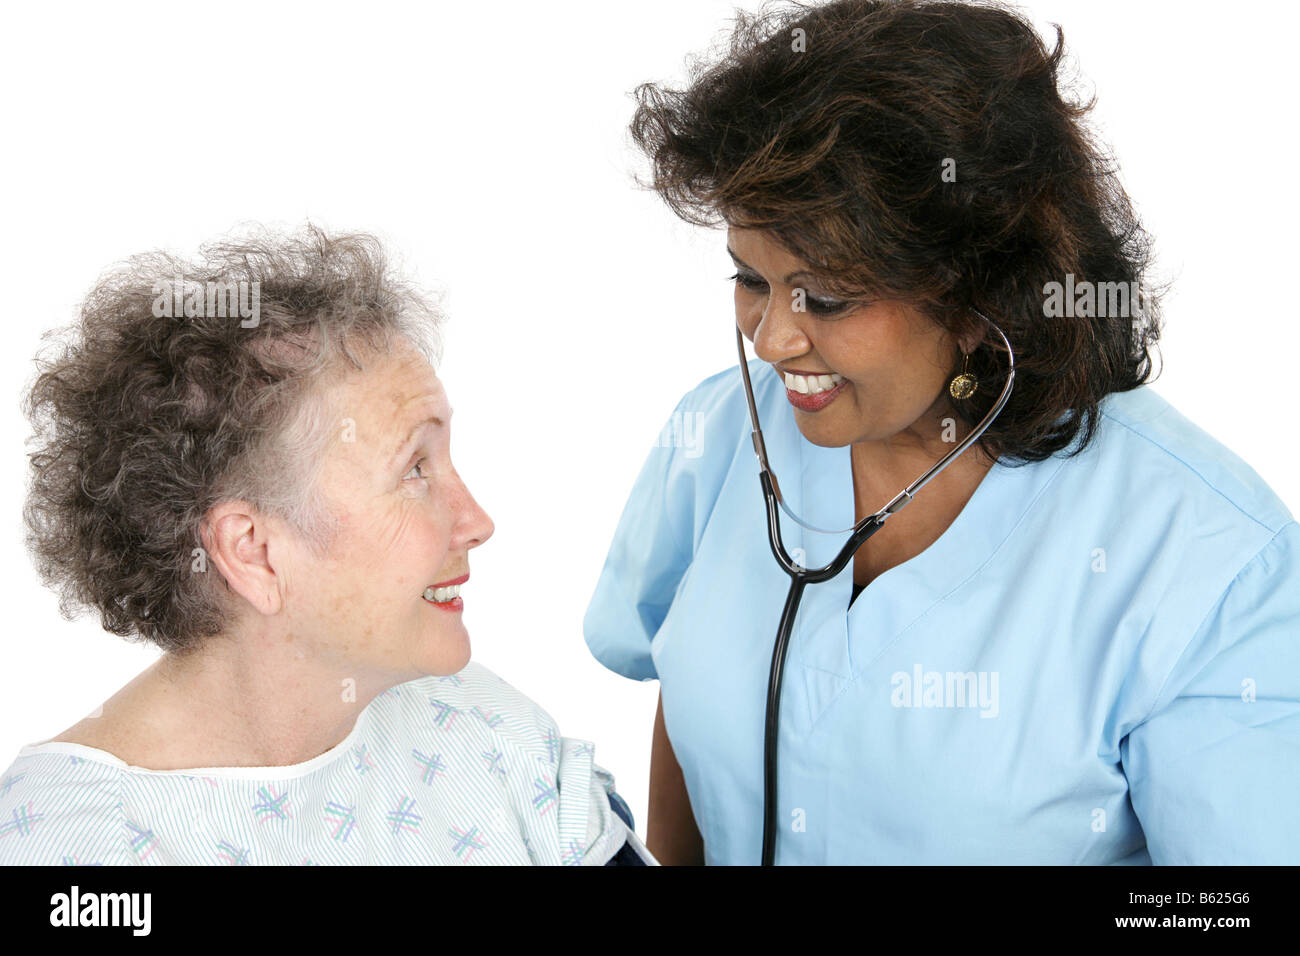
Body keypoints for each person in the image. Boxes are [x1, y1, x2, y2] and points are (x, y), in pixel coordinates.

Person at [583, 0, 1300, 864]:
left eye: (828, 297)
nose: (772, 339)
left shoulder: (1205, 557)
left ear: (980, 292)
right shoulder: (722, 436)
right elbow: (687, 685)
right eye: (750, 279)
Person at [1, 226, 650, 866]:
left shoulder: (492, 733)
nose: (476, 521)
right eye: (414, 469)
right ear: (252, 552)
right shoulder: (63, 853)